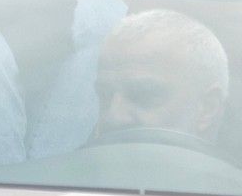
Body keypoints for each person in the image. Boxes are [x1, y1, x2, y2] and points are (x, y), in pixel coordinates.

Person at [94, 8, 228, 144]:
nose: (114, 117)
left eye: (143, 95)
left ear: (207, 109)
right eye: (105, 96)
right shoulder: (76, 163)